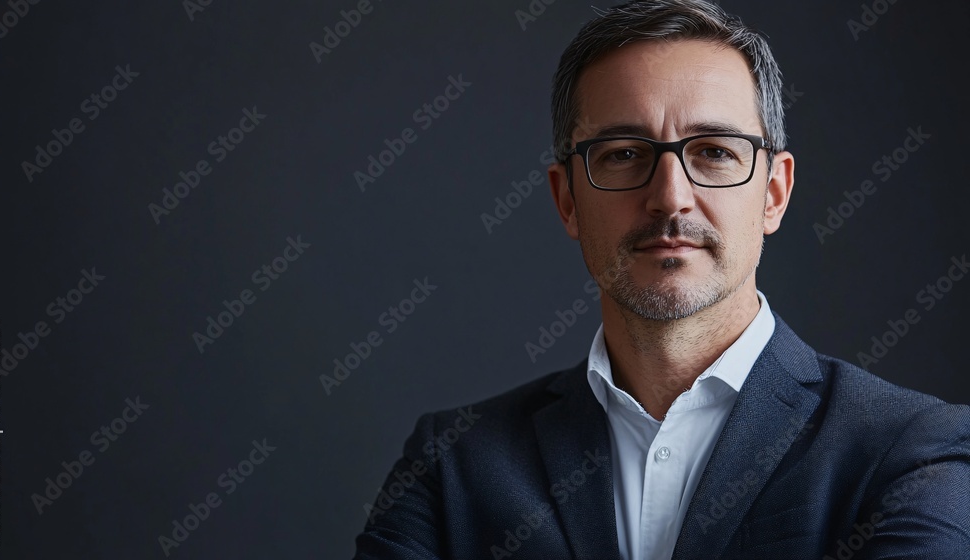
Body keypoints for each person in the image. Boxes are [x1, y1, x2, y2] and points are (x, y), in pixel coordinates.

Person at [353, 1, 970, 558]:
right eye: (623, 153)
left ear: (774, 195)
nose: (670, 198)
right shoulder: (452, 464)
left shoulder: (914, 451)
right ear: (567, 199)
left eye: (714, 152)